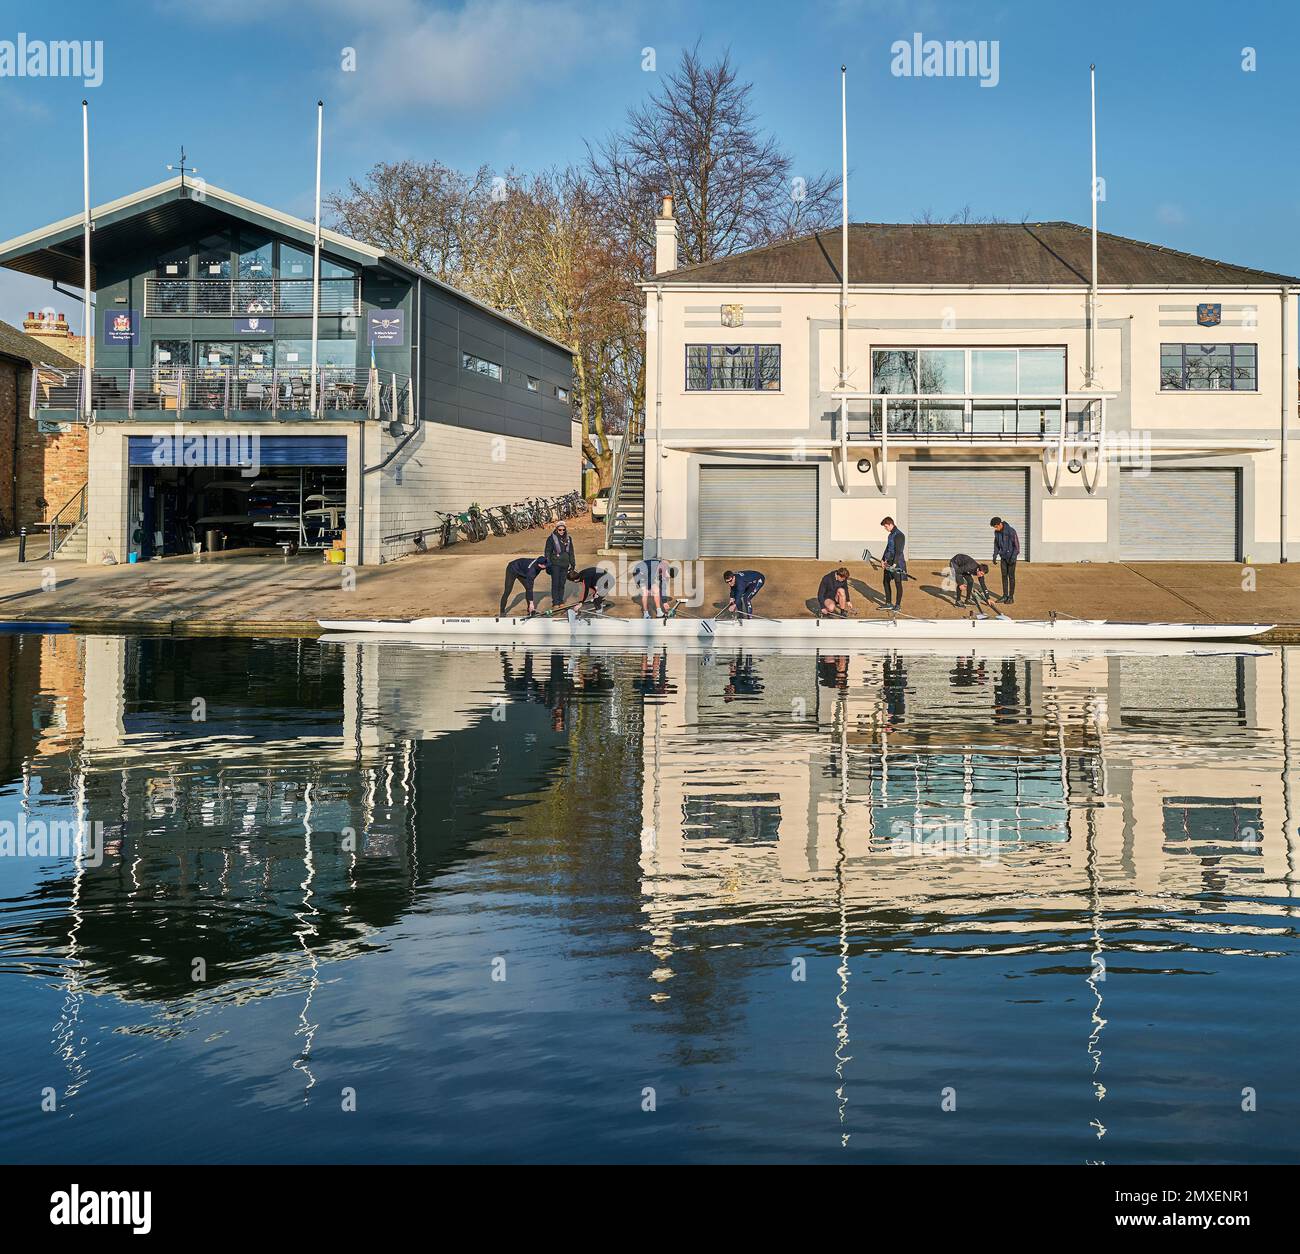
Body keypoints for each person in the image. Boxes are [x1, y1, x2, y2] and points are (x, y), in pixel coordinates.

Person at [544, 522, 576, 609]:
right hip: (555, 564)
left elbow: (571, 552)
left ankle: (561, 600)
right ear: (556, 529)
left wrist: (573, 564)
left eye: (563, 530)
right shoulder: (551, 539)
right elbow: (547, 552)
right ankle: (555, 602)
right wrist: (548, 563)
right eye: (560, 530)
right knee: (555, 583)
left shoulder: (568, 538)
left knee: (562, 583)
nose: (561, 531)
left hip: (565, 564)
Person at [990, 516, 1020, 604]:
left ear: (1000, 524)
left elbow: (1017, 546)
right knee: (1004, 576)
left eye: (996, 526)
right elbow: (996, 544)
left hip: (1011, 557)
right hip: (1003, 557)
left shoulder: (1011, 531)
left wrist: (1013, 557)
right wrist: (995, 555)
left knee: (1011, 577)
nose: (995, 528)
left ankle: (1011, 597)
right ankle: (1005, 595)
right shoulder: (997, 532)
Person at [880, 516, 908, 609]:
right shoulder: (890, 535)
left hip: (897, 563)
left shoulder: (899, 535)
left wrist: (894, 564)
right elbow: (887, 548)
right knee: (886, 581)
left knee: (898, 583)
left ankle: (898, 605)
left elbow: (899, 551)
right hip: (888, 561)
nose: (885, 528)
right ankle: (888, 603)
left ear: (891, 524)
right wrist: (883, 559)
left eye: (886, 526)